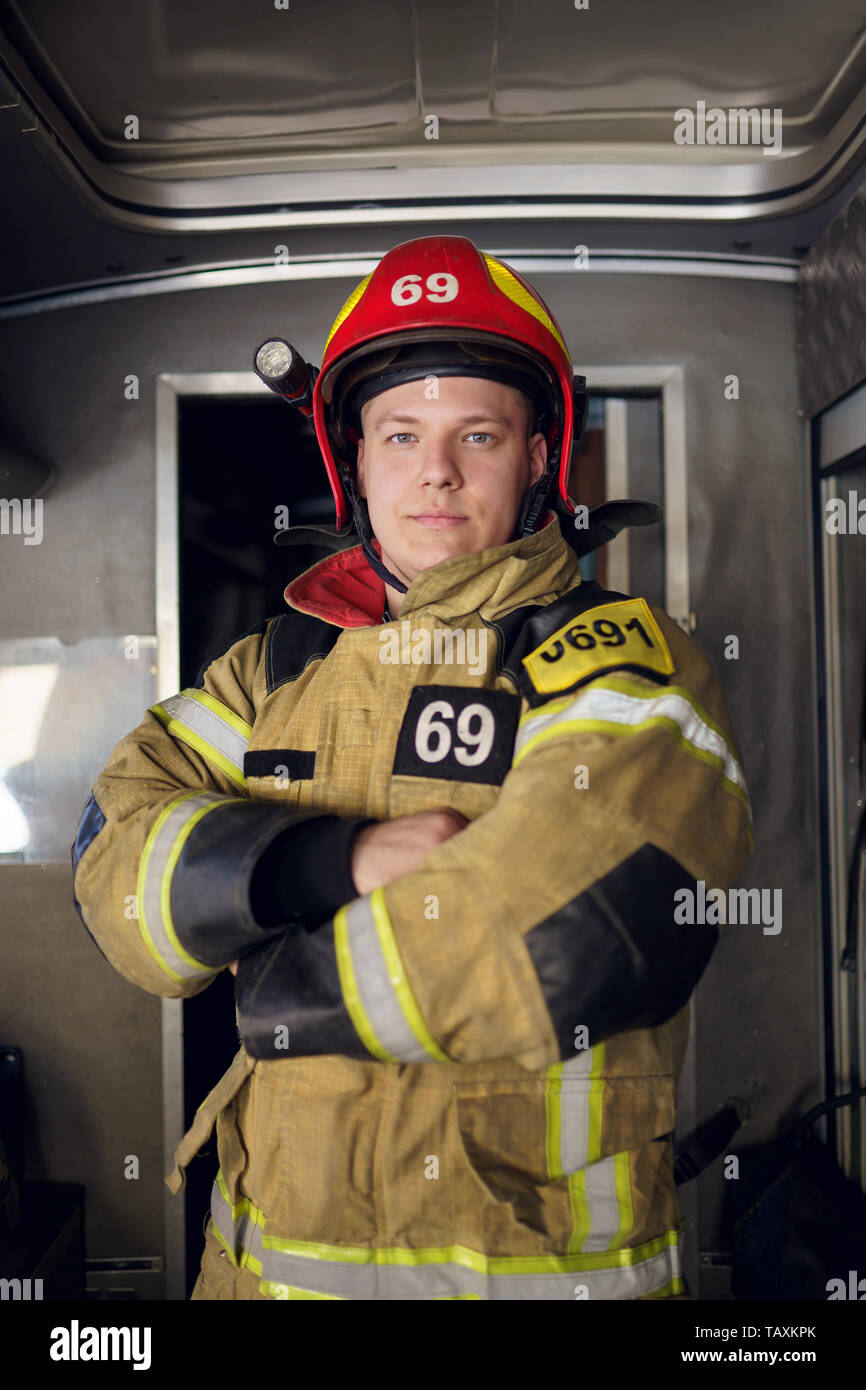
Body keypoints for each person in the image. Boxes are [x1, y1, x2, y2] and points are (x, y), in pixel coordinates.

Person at [71, 233, 752, 1301]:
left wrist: (273, 981)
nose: (434, 469)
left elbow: (586, 925)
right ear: (356, 460)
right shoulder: (268, 669)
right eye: (400, 433)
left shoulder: (620, 656)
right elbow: (110, 857)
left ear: (537, 458)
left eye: (476, 433)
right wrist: (317, 865)